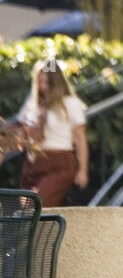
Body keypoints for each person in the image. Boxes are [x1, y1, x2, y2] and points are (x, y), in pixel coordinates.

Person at [16, 57, 90, 208]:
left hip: (58, 163)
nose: (43, 87)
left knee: (35, 207)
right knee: (36, 212)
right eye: (40, 82)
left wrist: (83, 170)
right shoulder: (33, 103)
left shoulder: (70, 103)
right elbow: (21, 131)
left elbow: (80, 138)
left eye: (47, 82)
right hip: (33, 164)